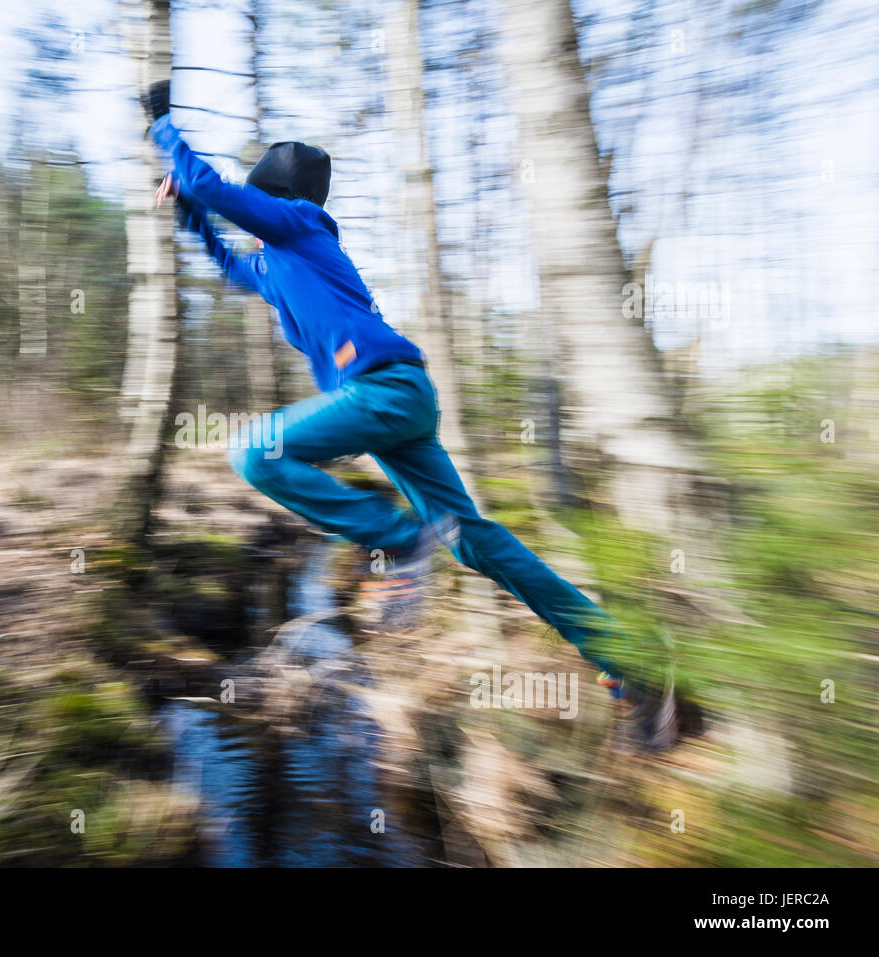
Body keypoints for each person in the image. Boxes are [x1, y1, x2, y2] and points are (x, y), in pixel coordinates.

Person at [140, 81, 677, 750]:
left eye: (258, 197)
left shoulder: (300, 224)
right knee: (476, 542)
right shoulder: (277, 262)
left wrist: (163, 126)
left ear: (275, 197)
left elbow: (215, 187)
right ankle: (627, 656)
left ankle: (395, 540)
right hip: (396, 401)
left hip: (383, 392)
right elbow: (225, 260)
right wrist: (188, 210)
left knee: (256, 452)